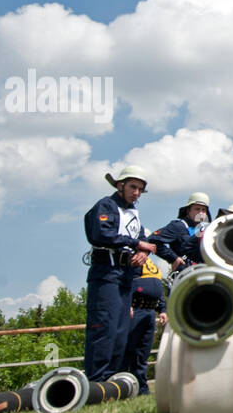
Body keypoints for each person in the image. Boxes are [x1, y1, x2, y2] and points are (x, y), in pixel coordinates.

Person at [83, 165, 156, 381]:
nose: (136, 193)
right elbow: (102, 234)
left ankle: (112, 380)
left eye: (140, 190)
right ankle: (97, 381)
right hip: (106, 272)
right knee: (104, 328)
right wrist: (136, 243)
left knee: (120, 333)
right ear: (120, 185)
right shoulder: (106, 205)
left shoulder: (133, 213)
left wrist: (143, 252)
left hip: (126, 274)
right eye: (133, 187)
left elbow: (141, 239)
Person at [125, 256, 166, 394]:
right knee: (130, 349)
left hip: (149, 311)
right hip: (136, 309)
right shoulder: (133, 258)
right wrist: (127, 303)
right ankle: (124, 385)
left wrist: (162, 309)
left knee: (143, 352)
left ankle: (142, 388)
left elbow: (158, 285)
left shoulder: (149, 262)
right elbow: (126, 280)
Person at [150, 191, 211, 271]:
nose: (201, 213)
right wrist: (173, 258)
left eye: (203, 210)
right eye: (197, 209)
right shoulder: (178, 226)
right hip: (183, 276)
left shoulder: (205, 231)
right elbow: (153, 240)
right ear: (188, 210)